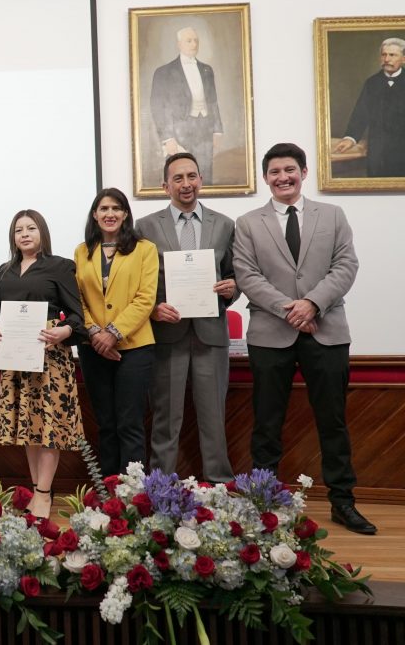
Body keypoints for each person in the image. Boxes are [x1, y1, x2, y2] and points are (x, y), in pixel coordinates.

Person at [233, 142, 375, 535]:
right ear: (265, 178)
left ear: (304, 172)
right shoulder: (247, 222)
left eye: (290, 170)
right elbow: (246, 275)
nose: (283, 177)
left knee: (333, 422)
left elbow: (346, 264)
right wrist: (290, 309)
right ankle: (262, 503)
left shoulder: (332, 215)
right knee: (266, 422)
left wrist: (312, 304)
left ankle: (343, 502)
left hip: (326, 331)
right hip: (269, 334)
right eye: (275, 171)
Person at [136, 153, 237, 483]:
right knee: (166, 418)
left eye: (191, 176)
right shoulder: (146, 227)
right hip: (168, 335)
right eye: (177, 178)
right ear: (166, 186)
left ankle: (219, 485)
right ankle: (160, 486)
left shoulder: (224, 225)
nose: (186, 184)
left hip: (211, 334)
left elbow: (235, 276)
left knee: (213, 416)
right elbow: (137, 282)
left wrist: (231, 289)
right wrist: (152, 308)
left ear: (201, 181)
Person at [0, 210, 86, 519]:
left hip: (50, 357)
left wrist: (65, 331)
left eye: (31, 228)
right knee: (26, 426)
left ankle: (43, 493)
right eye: (18, 230)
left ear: (42, 231)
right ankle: (36, 486)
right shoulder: (4, 270)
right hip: (16, 360)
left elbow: (78, 318)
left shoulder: (60, 266)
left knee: (49, 427)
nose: (24, 234)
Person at [74, 188, 158, 476]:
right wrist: (95, 334)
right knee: (106, 423)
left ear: (125, 215)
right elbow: (78, 299)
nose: (109, 214)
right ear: (95, 215)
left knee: (130, 422)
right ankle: (108, 490)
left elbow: (145, 298)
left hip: (134, 347)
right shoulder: (82, 251)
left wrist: (113, 332)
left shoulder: (144, 249)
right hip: (92, 347)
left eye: (116, 208)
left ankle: (134, 493)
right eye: (103, 208)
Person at [150, 27, 223, 185]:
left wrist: (217, 130)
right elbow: (158, 107)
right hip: (179, 132)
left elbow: (213, 102)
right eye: (189, 41)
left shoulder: (207, 70)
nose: (194, 44)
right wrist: (167, 138)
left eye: (196, 40)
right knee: (180, 178)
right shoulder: (164, 72)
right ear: (179, 44)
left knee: (205, 177)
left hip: (205, 130)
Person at [333, 37, 405, 177]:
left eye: (392, 55)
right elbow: (360, 114)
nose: (386, 59)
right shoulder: (372, 83)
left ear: (403, 59)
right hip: (378, 151)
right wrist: (351, 138)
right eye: (384, 55)